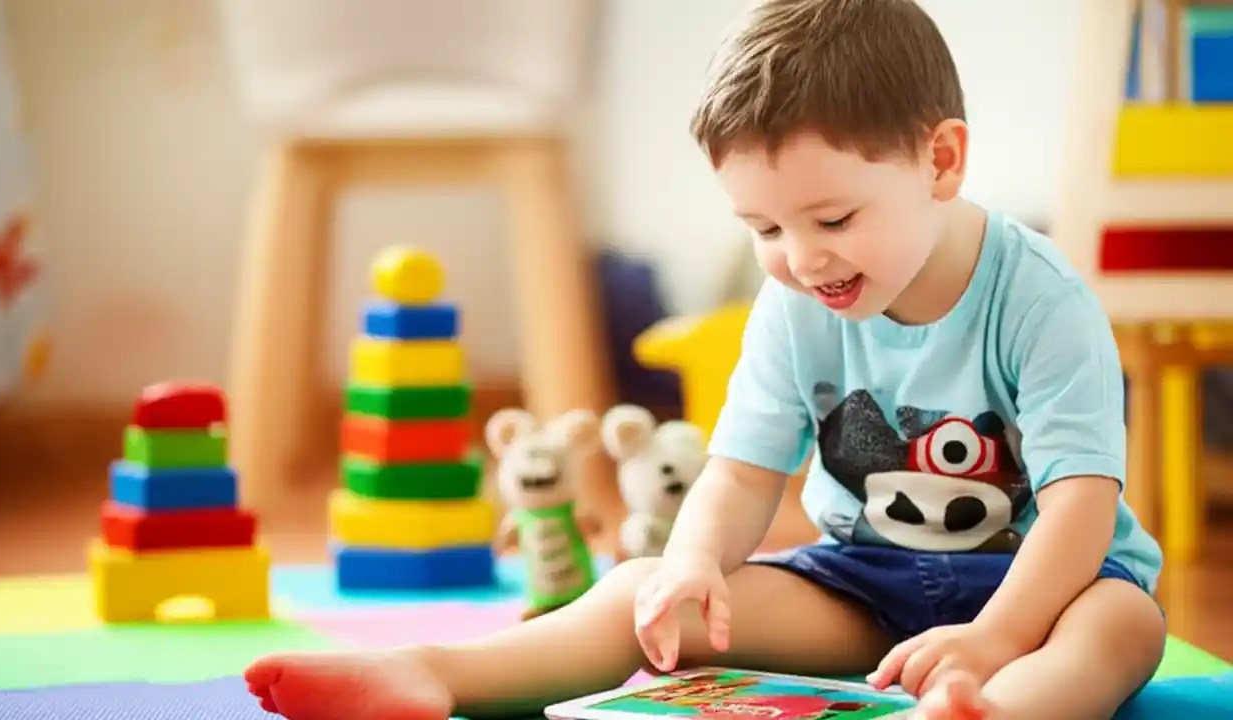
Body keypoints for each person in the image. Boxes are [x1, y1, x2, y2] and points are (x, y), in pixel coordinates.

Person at [243, 1, 1167, 718]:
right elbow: (740, 473)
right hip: (866, 583)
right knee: (646, 590)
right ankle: (434, 672)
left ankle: (990, 711)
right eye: (764, 227)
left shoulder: (1040, 298)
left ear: (942, 160)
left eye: (834, 219)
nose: (803, 258)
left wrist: (995, 638)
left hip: (1047, 586)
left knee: (1124, 630)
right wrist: (691, 562)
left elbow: (1083, 507)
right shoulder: (800, 298)